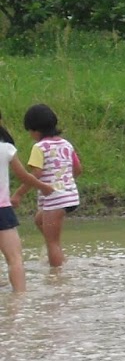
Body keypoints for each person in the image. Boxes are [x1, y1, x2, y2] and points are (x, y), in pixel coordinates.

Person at [0, 109, 55, 290]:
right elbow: (24, 176)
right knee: (15, 259)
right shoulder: (6, 148)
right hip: (2, 211)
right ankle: (19, 304)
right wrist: (44, 187)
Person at [20, 103, 79, 268]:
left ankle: (57, 277)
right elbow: (78, 169)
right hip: (71, 197)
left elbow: (35, 175)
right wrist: (65, 180)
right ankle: (58, 255)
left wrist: (18, 194)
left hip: (55, 200)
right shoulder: (66, 144)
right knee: (39, 220)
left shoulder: (39, 148)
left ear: (35, 130)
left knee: (52, 243)